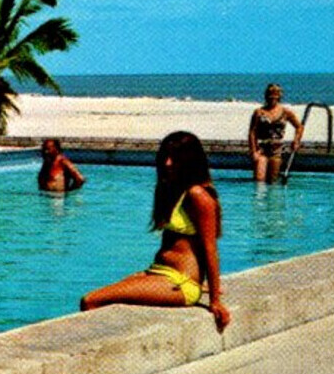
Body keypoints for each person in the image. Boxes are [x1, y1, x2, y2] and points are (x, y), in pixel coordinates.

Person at [79, 131, 230, 333]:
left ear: (190, 161)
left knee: (91, 300)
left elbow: (210, 248)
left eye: (175, 158)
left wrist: (215, 300)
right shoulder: (170, 189)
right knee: (107, 298)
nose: (167, 163)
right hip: (158, 273)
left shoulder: (198, 195)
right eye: (164, 157)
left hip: (180, 282)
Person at [248, 82, 304, 182]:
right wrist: (253, 151)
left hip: (276, 150)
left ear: (279, 96)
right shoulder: (259, 112)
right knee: (259, 180)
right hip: (261, 149)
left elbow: (299, 127)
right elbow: (252, 132)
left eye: (275, 94)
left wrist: (296, 141)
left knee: (272, 181)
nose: (272, 97)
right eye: (270, 94)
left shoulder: (286, 112)